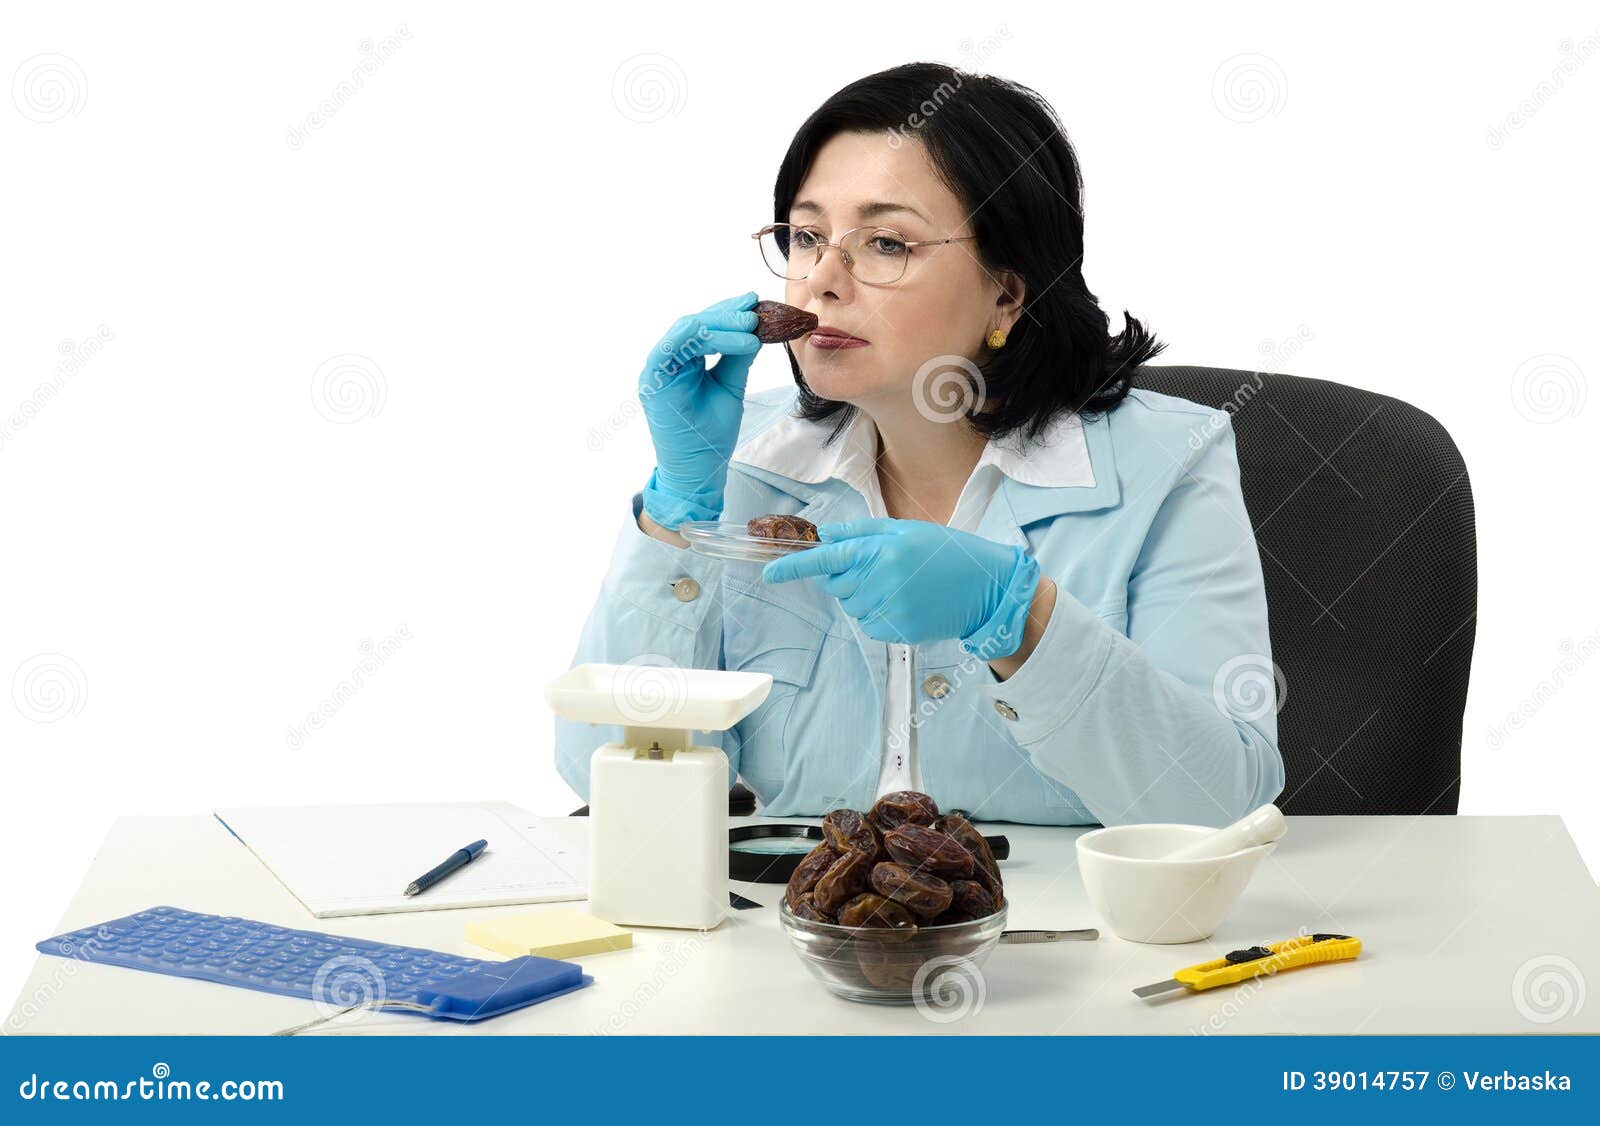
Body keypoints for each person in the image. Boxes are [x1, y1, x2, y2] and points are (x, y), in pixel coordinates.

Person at [555, 62, 1284, 827]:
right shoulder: (746, 457)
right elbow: (608, 780)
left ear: (1007, 292)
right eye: (807, 236)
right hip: (805, 904)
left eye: (886, 243)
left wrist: (1021, 620)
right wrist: (678, 519)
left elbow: (1215, 805)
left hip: (1067, 908)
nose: (822, 280)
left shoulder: (1168, 462)